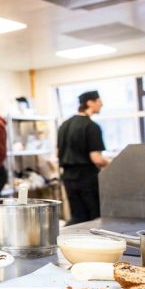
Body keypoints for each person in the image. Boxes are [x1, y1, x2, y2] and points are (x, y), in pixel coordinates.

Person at [57, 90, 109, 224]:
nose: (101, 104)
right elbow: (96, 158)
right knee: (94, 217)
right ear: (90, 103)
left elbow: (58, 152)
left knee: (78, 216)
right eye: (99, 101)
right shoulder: (92, 126)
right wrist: (108, 163)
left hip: (68, 177)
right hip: (86, 178)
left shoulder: (64, 125)